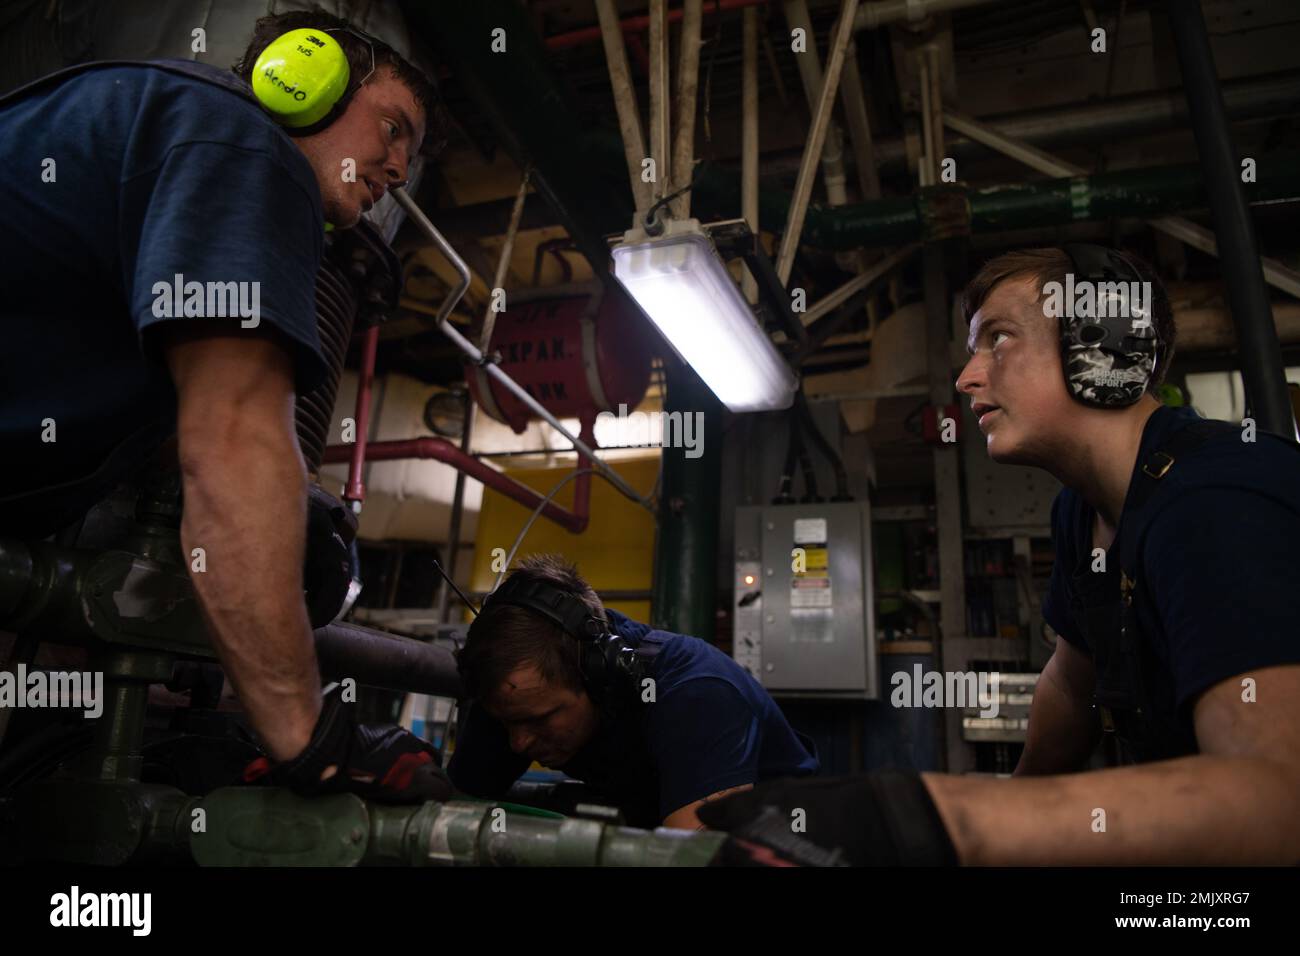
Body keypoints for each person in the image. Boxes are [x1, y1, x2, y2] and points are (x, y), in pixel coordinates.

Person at [698, 245, 1300, 865]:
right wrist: (1022, 799)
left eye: (999, 339)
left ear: (1104, 345)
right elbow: (1070, 683)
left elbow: (1281, 801)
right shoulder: (1080, 511)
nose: (966, 378)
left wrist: (948, 820)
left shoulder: (1216, 497)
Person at [0, 9, 449, 802]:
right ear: (304, 79)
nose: (400, 168)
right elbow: (232, 439)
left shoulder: (166, 123)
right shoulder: (239, 140)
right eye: (393, 127)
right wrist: (307, 735)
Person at [448, 554, 820, 829]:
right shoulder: (517, 690)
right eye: (507, 722)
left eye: (539, 720)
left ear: (598, 673)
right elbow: (451, 813)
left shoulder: (697, 695)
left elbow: (691, 858)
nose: (518, 743)